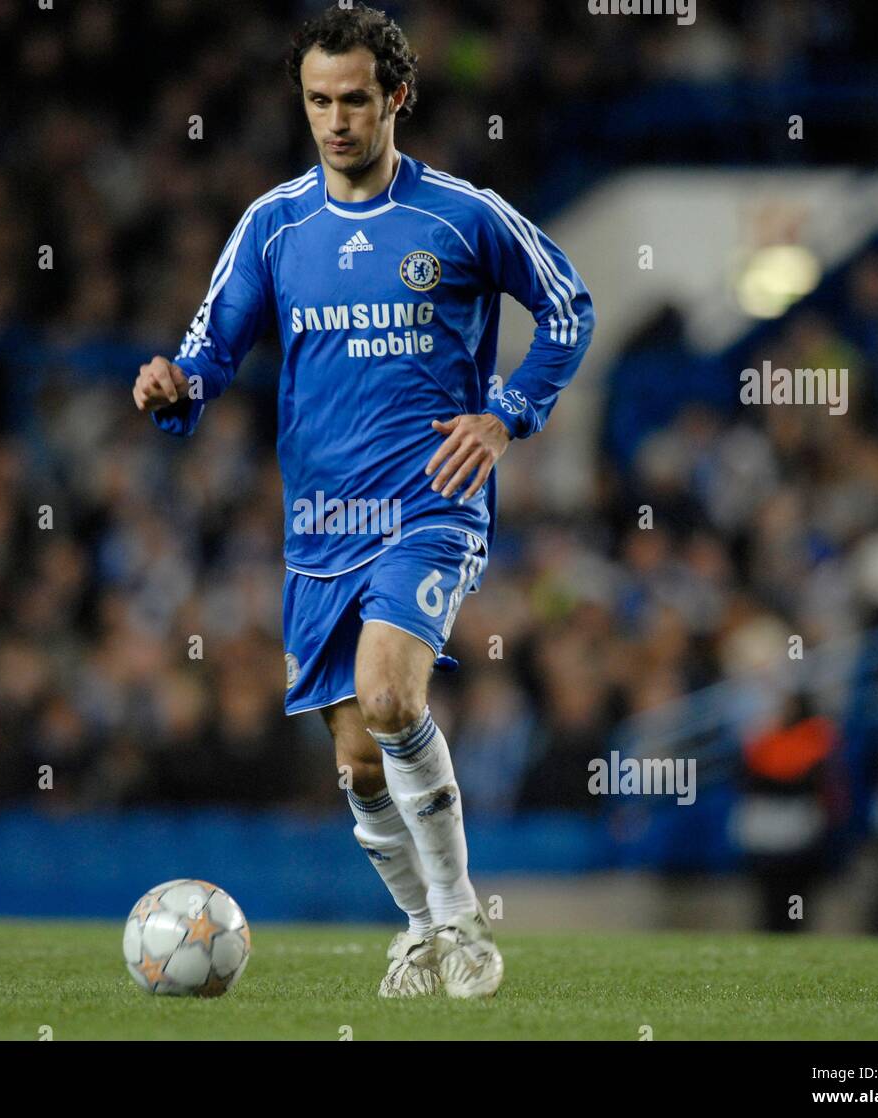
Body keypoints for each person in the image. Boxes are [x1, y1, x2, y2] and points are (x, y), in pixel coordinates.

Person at [134, 4, 593, 997]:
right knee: (357, 762)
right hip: (319, 530)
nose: (335, 120)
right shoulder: (273, 224)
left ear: (397, 99)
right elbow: (211, 350)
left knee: (390, 695)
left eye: (353, 100)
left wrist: (506, 413)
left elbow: (568, 304)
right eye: (317, 101)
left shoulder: (461, 216)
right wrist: (179, 385)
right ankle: (424, 927)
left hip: (431, 502)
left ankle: (467, 925)